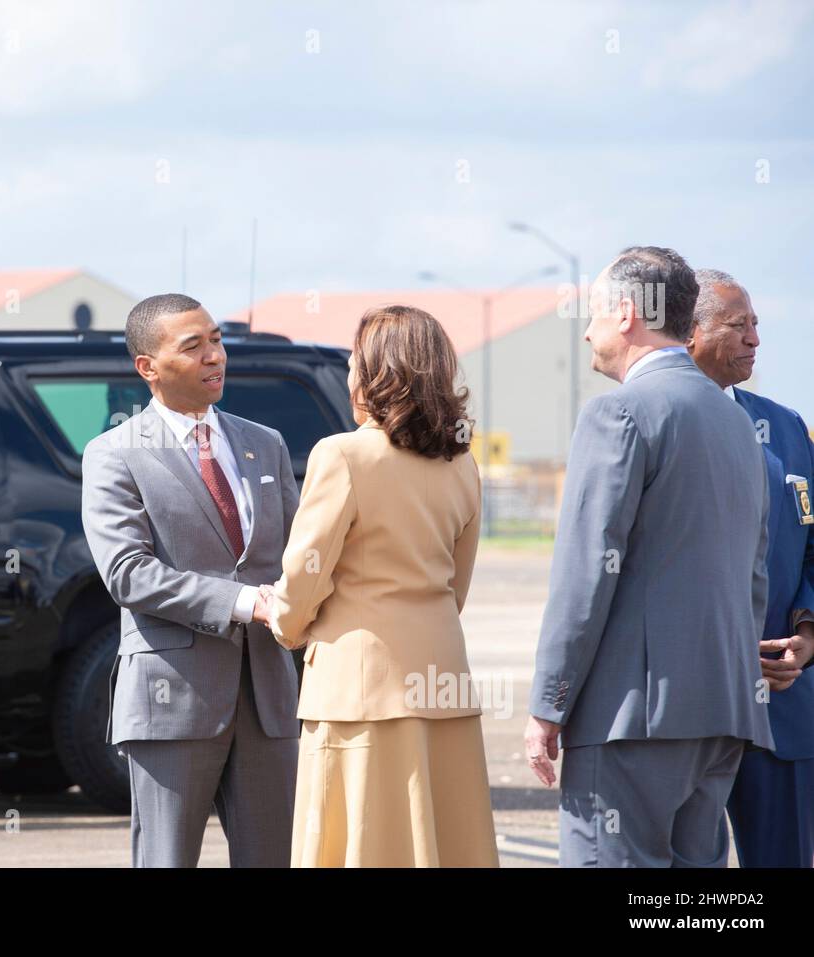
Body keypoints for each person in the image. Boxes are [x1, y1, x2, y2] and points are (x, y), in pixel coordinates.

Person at [526, 246, 773, 867]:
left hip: (631, 718)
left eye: (594, 313)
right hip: (722, 711)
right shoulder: (736, 421)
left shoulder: (620, 411)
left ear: (629, 313)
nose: (587, 329)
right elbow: (753, 578)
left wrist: (548, 705)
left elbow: (585, 574)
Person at [268, 305, 498, 867]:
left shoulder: (343, 454)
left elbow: (305, 571)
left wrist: (287, 625)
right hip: (441, 676)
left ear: (374, 371)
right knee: (440, 841)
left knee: (362, 843)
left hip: (359, 686)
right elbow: (456, 586)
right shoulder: (462, 463)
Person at [81, 293, 301, 868]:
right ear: (147, 367)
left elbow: (301, 553)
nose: (215, 357)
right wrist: (244, 601)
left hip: (268, 699)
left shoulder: (265, 444)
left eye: (217, 340)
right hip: (171, 697)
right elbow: (128, 574)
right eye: (194, 346)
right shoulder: (115, 455)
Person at [686, 269, 814, 867]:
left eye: (756, 325)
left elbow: (811, 547)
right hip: (690, 710)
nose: (755, 340)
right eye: (738, 326)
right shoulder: (656, 424)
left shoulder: (786, 428)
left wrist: (808, 636)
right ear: (690, 332)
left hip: (783, 705)